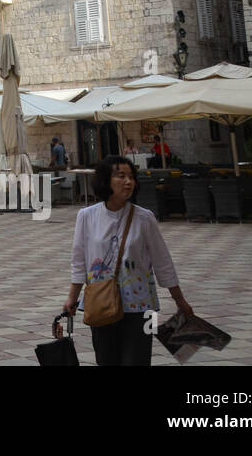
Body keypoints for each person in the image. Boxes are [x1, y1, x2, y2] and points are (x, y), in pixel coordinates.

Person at [63, 156, 194, 366]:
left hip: (142, 306)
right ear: (106, 181)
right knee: (106, 360)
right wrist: (72, 298)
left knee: (138, 360)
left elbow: (163, 262)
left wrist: (180, 301)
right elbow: (79, 261)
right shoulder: (86, 216)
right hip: (100, 303)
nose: (128, 182)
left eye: (131, 177)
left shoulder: (145, 218)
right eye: (121, 176)